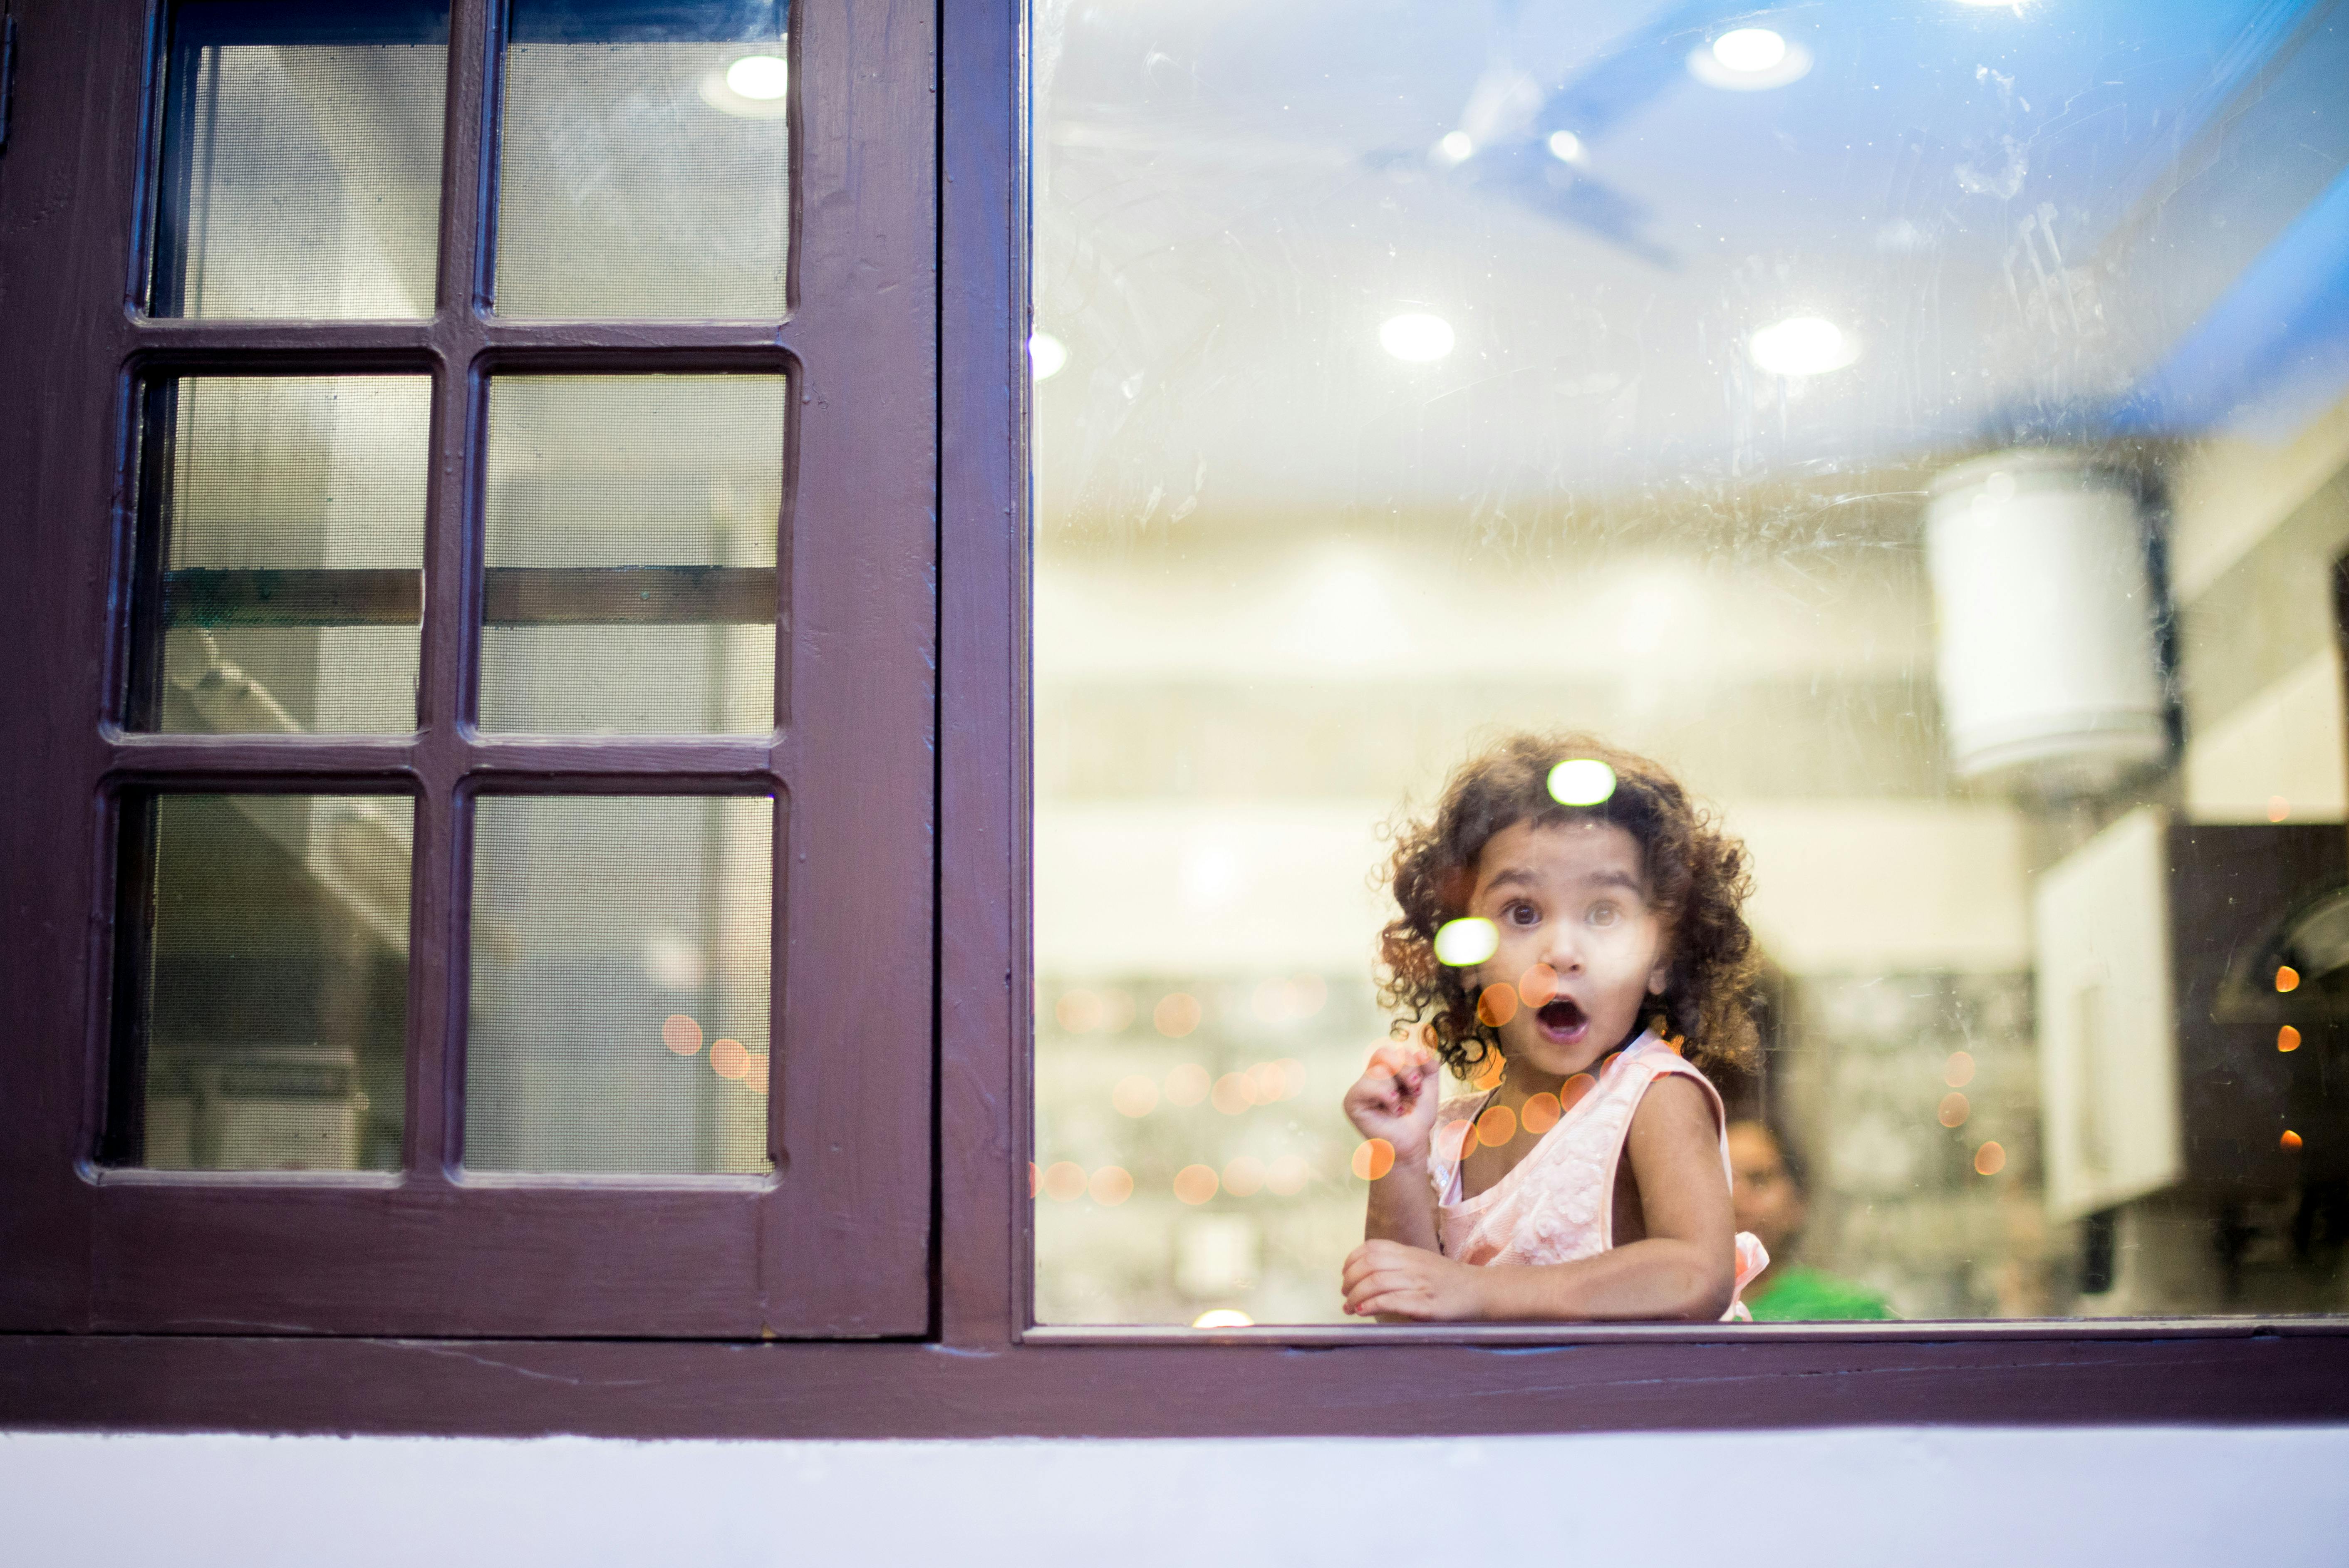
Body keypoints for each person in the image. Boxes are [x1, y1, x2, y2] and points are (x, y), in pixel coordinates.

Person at [1340, 733, 1769, 1322]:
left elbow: (1696, 1273)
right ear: (1465, 957)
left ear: (1662, 958)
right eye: (1522, 912)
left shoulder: (1651, 1095)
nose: (1562, 950)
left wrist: (1476, 1290)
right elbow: (1406, 1309)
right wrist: (1401, 1155)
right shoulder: (1450, 1134)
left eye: (1602, 913)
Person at [1726, 1118, 1895, 1320]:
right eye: (1722, 1180)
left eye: (1759, 1179)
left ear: (1798, 1201)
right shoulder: (1685, 1314)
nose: (1736, 1198)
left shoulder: (1849, 1313)